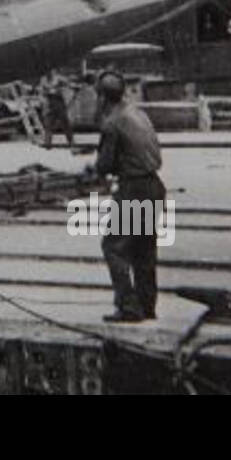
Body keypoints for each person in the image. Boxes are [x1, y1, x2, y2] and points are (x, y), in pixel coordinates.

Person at [91, 71, 164, 323]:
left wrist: (93, 169)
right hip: (154, 186)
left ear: (102, 97)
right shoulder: (138, 113)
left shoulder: (112, 122)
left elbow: (104, 164)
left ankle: (128, 308)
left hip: (133, 189)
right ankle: (147, 305)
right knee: (144, 249)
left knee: (114, 247)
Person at [40, 69, 75, 150]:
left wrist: (62, 90)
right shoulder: (43, 79)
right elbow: (42, 91)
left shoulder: (59, 79)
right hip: (49, 102)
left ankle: (71, 141)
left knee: (65, 123)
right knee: (48, 124)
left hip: (59, 102)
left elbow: (68, 86)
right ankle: (48, 143)